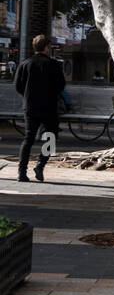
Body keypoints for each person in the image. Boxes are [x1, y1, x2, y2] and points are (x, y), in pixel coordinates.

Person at [13, 34, 66, 183]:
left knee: (28, 139)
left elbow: (17, 85)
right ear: (46, 47)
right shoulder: (53, 65)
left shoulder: (25, 63)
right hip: (49, 107)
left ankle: (21, 172)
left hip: (30, 106)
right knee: (51, 138)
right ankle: (40, 164)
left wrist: (28, 95)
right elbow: (61, 85)